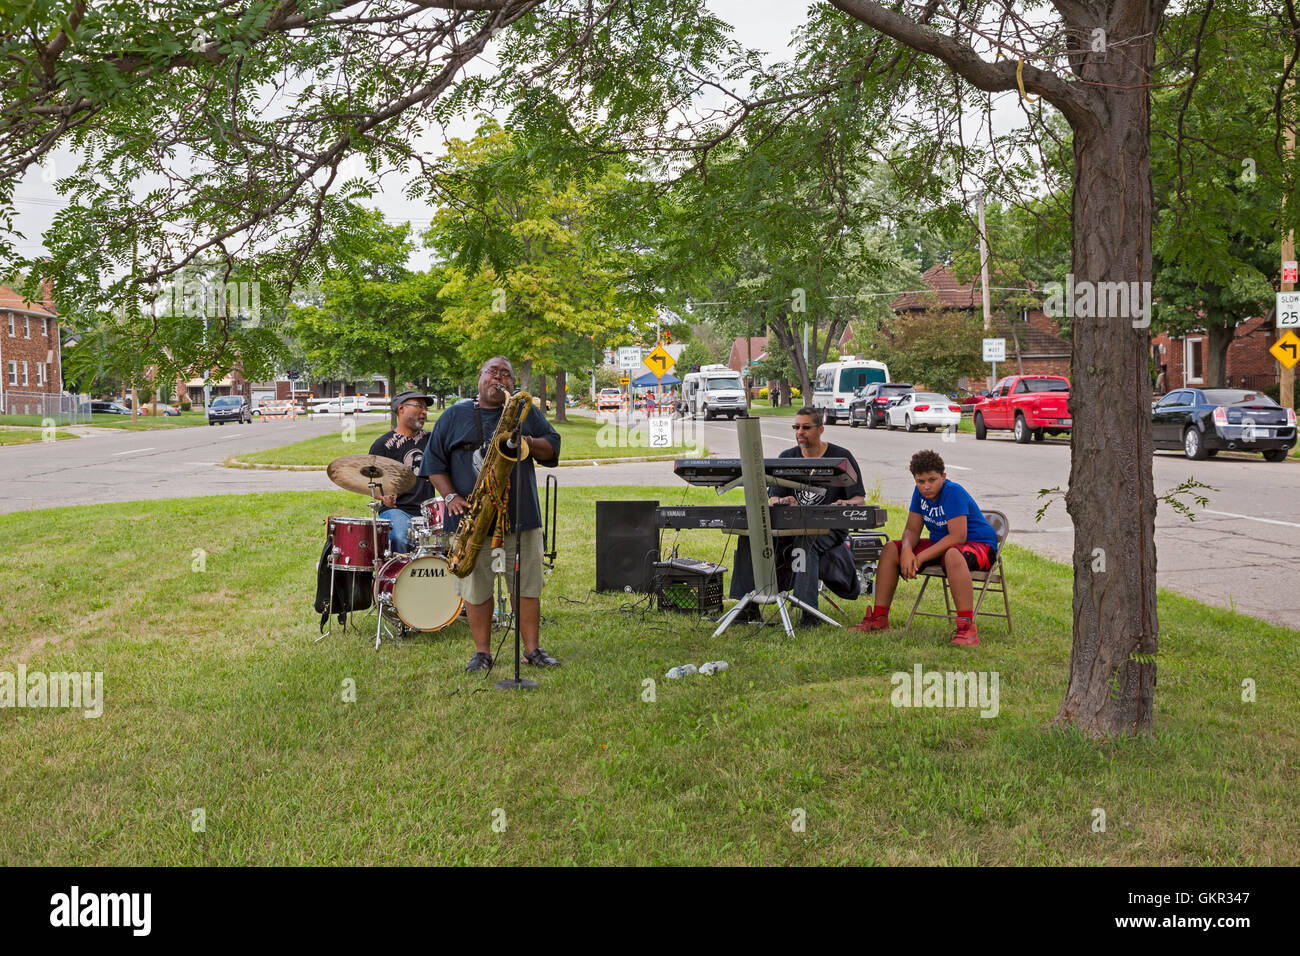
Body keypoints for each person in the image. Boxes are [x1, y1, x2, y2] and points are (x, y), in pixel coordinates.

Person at [419, 357, 563, 673]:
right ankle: (482, 652)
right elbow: (433, 464)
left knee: (526, 585)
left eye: (506, 375)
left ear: (513, 384)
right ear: (480, 377)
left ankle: (532, 649)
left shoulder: (525, 413)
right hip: (473, 520)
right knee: (477, 587)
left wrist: (525, 440)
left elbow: (553, 447)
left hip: (521, 516)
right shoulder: (454, 415)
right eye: (492, 372)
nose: (499, 378)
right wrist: (451, 496)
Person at [728, 406, 866, 626]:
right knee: (749, 536)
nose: (799, 432)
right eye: (796, 427)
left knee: (806, 540)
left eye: (805, 427)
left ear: (820, 429)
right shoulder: (787, 457)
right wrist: (782, 501)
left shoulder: (841, 456)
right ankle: (747, 609)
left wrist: (845, 503)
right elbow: (772, 499)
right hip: (790, 525)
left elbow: (860, 499)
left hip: (829, 529)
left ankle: (809, 614)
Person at [851, 448, 999, 646]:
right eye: (921, 481)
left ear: (943, 476)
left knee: (953, 554)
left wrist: (918, 558)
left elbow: (958, 537)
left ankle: (967, 628)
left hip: (978, 546)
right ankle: (879, 620)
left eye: (932, 479)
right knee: (889, 549)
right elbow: (912, 530)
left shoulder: (953, 492)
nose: (926, 486)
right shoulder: (919, 494)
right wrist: (906, 551)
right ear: (915, 480)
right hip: (944, 546)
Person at [368, 391, 437, 553]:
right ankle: (397, 576)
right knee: (399, 537)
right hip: (397, 510)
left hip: (430, 511)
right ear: (401, 409)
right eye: (419, 406)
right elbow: (369, 482)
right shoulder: (383, 445)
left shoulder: (432, 440)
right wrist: (382, 496)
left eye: (425, 408)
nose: (424, 411)